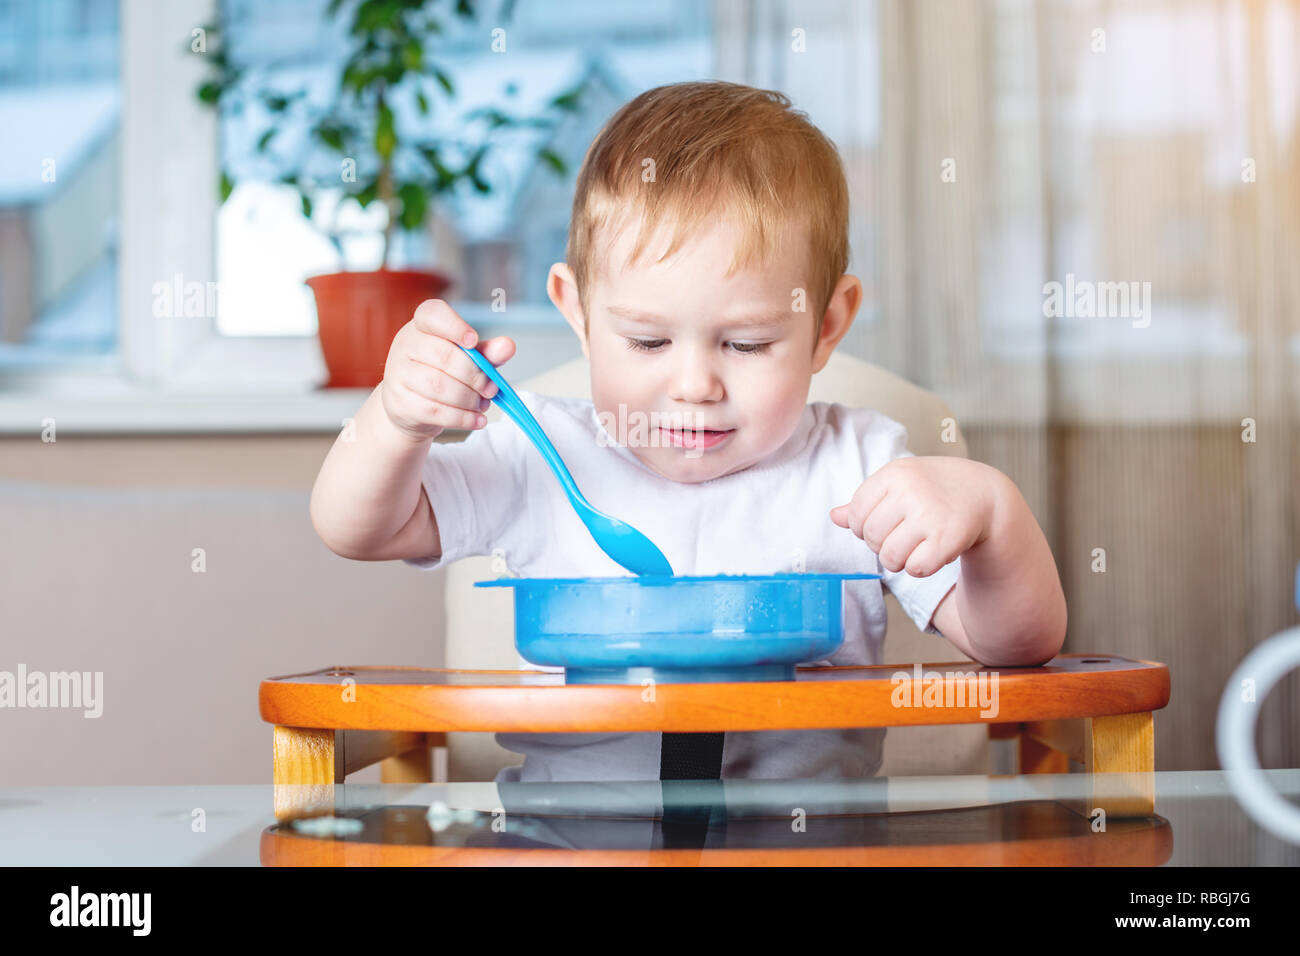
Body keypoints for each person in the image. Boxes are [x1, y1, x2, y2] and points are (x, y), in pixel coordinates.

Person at [310, 80, 1067, 783]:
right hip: (568, 854)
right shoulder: (538, 453)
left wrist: (994, 514)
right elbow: (358, 529)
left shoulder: (861, 467)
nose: (696, 385)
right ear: (576, 310)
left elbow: (1017, 646)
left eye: (745, 345)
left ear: (826, 325)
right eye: (647, 341)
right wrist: (395, 420)